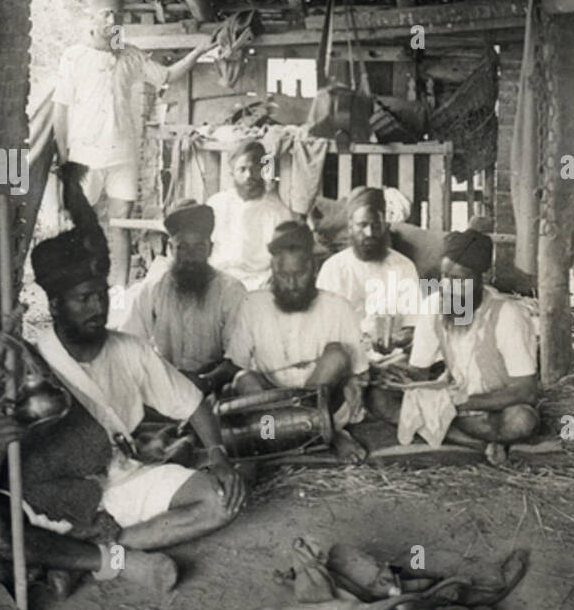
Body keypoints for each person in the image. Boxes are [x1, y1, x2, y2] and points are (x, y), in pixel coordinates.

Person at [0, 221, 247, 596]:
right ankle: (110, 561)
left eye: (103, 295)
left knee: (222, 501)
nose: (98, 308)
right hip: (47, 495)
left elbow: (194, 404)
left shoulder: (130, 349)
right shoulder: (25, 366)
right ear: (56, 305)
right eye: (84, 298)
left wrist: (220, 456)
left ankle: (78, 558)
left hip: (120, 475)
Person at [53, 0, 210, 290]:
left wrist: (199, 51)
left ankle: (121, 296)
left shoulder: (131, 56)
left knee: (121, 225)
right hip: (84, 154)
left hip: (122, 155)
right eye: (106, 15)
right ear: (92, 19)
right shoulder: (73, 57)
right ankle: (82, 291)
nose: (113, 22)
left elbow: (166, 75)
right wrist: (63, 159)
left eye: (118, 16)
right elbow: (60, 112)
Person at [369, 229, 539, 466]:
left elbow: (526, 391)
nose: (448, 287)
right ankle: (479, 445)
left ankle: (445, 432)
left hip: (493, 408)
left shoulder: (508, 314)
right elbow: (418, 372)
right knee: (379, 397)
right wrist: (394, 375)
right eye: (445, 276)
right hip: (452, 404)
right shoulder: (434, 306)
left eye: (459, 280)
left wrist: (459, 402)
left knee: (522, 420)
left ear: (482, 278)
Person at [225, 221, 369, 462]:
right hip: (270, 406)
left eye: (299, 274)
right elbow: (236, 363)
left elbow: (359, 372)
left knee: (336, 356)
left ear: (313, 268)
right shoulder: (252, 304)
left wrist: (354, 383)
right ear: (272, 268)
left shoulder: (338, 307)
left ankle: (313, 433)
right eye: (283, 276)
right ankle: (316, 437)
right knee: (244, 379)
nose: (291, 285)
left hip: (325, 405)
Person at [119, 199, 245, 396]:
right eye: (182, 247)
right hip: (166, 388)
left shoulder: (231, 291)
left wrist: (206, 382)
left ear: (210, 249)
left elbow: (239, 358)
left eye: (198, 248)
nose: (190, 256)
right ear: (170, 248)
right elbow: (128, 346)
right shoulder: (152, 289)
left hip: (218, 387)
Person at [315, 186, 421, 351]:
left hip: (392, 356)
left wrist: (399, 338)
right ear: (350, 227)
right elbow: (323, 327)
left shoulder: (404, 267)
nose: (369, 232)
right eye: (362, 225)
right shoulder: (333, 269)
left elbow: (413, 325)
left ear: (385, 226)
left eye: (376, 225)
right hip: (347, 356)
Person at [207, 139, 295, 290]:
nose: (249, 175)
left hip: (258, 283)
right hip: (217, 280)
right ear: (232, 173)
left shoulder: (278, 212)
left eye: (254, 169)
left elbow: (285, 259)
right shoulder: (216, 204)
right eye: (242, 169)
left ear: (263, 170)